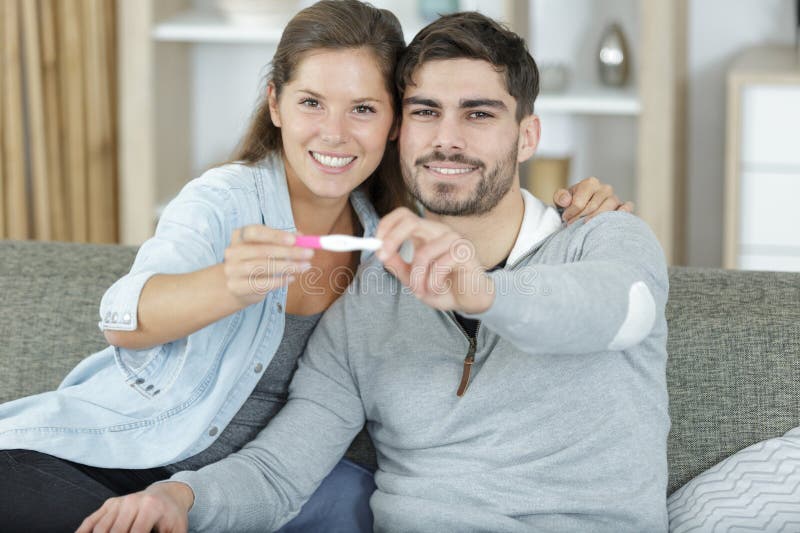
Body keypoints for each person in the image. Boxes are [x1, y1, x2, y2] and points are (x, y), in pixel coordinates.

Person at [75, 9, 671, 533]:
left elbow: (615, 313)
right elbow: (283, 469)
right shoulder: (368, 299)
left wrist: (481, 291)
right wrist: (180, 498)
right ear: (396, 131)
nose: (447, 140)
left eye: (479, 114)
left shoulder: (605, 239)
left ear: (527, 136)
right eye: (425, 112)